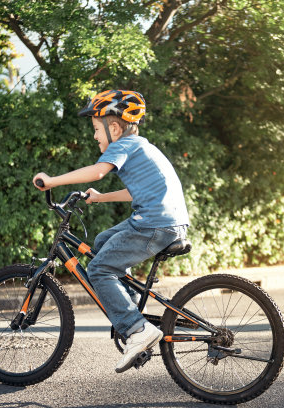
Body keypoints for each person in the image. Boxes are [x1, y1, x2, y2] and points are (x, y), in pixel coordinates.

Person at [32, 90, 190, 373]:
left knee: (99, 269)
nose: (95, 136)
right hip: (161, 220)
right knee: (103, 242)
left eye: (96, 129)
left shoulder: (124, 145)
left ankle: (135, 328)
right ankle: (132, 313)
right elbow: (136, 191)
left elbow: (97, 172)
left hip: (153, 224)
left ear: (114, 128)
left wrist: (52, 181)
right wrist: (102, 197)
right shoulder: (142, 146)